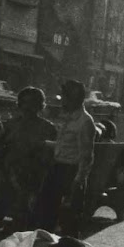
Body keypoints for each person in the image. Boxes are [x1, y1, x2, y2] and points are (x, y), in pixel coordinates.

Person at [0, 86, 58, 230]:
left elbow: (51, 155)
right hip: (10, 172)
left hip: (33, 175)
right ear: (19, 104)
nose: (28, 107)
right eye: (25, 103)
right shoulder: (10, 126)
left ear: (40, 106)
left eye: (33, 103)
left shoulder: (48, 128)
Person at [36, 79, 96, 234]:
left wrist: (77, 183)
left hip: (71, 171)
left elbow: (86, 156)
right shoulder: (68, 117)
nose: (62, 100)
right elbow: (65, 145)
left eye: (65, 97)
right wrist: (45, 144)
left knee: (68, 219)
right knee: (46, 213)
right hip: (57, 168)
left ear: (74, 99)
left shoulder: (85, 122)